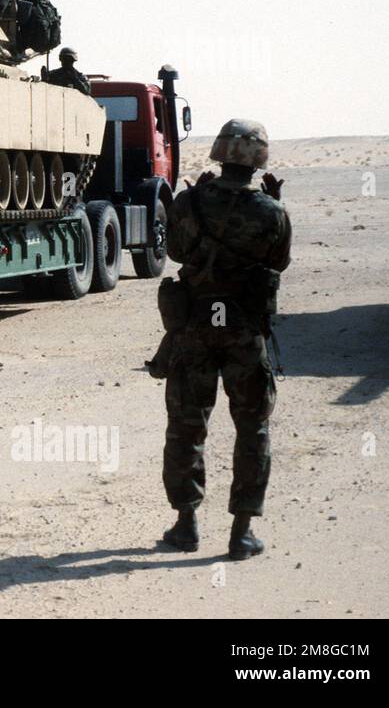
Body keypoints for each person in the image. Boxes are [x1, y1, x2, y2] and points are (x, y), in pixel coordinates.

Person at [159, 118, 291, 560]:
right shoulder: (272, 212)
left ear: (218, 152)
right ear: (259, 160)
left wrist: (195, 205)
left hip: (194, 328)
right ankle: (241, 533)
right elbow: (279, 261)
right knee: (252, 428)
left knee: (186, 426)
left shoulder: (188, 201)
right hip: (244, 333)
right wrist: (272, 203)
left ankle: (185, 525)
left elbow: (175, 253)